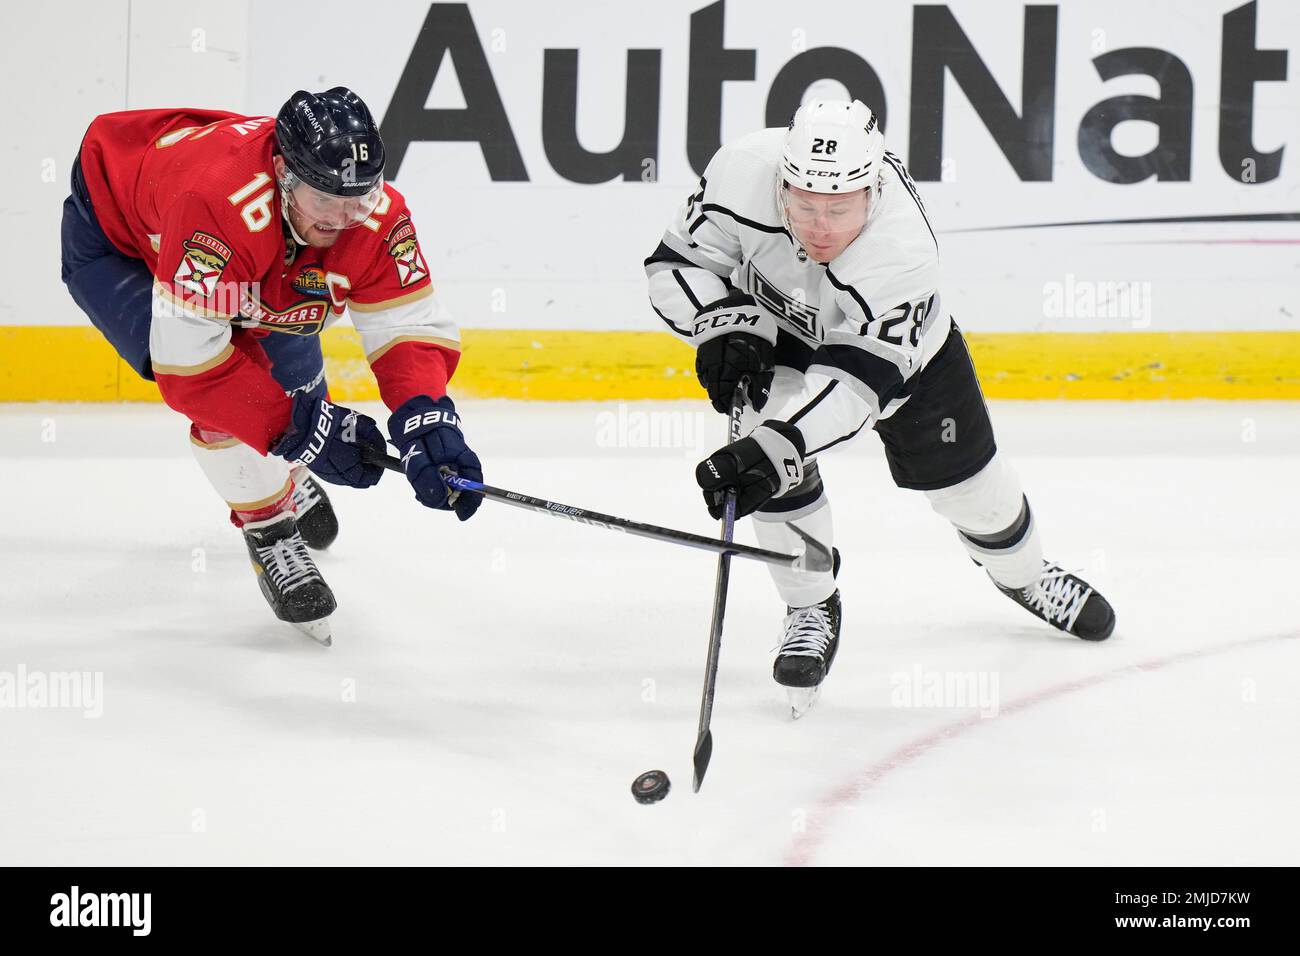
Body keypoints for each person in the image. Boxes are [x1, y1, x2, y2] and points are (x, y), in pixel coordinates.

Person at [646, 99, 1115, 714]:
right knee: (771, 451)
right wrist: (722, 325)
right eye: (803, 204)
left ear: (872, 190)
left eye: (839, 209)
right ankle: (810, 603)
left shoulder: (904, 252)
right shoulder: (741, 169)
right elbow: (679, 264)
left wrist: (777, 447)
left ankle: (1025, 576)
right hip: (777, 338)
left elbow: (856, 390)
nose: (819, 226)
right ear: (781, 180)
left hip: (904, 365)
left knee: (976, 496)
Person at [61, 88, 482, 643]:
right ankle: (268, 526)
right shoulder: (218, 206)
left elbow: (404, 324)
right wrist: (296, 431)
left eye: (359, 197)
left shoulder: (370, 213)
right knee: (234, 396)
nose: (346, 218)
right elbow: (193, 370)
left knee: (294, 347)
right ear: (283, 173)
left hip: (227, 227)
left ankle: (291, 471)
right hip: (121, 238)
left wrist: (426, 413)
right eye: (326, 199)